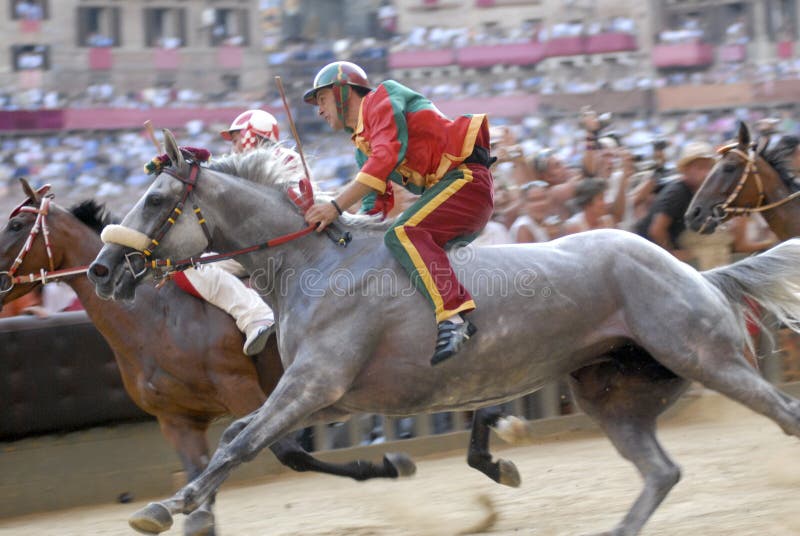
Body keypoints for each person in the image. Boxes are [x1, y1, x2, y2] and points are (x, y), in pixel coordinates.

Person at [302, 61, 494, 366]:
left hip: (466, 182)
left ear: (342, 92)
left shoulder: (382, 98)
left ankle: (455, 319)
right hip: (449, 191)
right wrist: (343, 232)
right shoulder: (362, 147)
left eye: (322, 100)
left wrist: (335, 207)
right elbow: (374, 209)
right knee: (386, 244)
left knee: (404, 233)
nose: (319, 111)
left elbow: (384, 159)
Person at [170, 109, 281, 355]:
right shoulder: (244, 170)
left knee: (185, 267)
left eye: (237, 138)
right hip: (253, 247)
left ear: (254, 136)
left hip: (271, 248)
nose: (234, 146)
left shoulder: (272, 163)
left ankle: (256, 315)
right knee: (182, 266)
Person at [634, 141, 716, 261]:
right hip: (649, 253)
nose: (706, 173)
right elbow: (656, 230)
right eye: (700, 168)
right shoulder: (678, 192)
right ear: (686, 170)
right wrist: (671, 255)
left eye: (709, 168)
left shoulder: (699, 192)